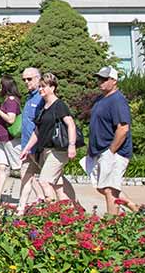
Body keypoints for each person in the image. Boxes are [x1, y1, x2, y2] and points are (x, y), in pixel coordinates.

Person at [20, 71, 77, 203]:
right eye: (40, 86)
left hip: (58, 150)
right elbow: (37, 131)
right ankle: (71, 212)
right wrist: (27, 148)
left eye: (43, 86)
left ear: (52, 88)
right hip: (46, 150)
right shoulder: (44, 107)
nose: (41, 89)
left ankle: (51, 213)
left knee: (44, 181)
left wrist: (72, 145)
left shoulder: (59, 105)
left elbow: (71, 125)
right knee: (58, 185)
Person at [87, 67, 133, 215]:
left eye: (104, 79)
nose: (101, 82)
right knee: (102, 187)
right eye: (99, 78)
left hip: (114, 152)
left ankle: (112, 226)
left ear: (114, 81)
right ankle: (136, 208)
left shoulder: (118, 100)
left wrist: (111, 151)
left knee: (109, 189)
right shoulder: (101, 99)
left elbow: (123, 128)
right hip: (100, 150)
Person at [15, 67, 46, 213]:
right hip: (27, 146)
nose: (26, 82)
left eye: (30, 79)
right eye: (24, 79)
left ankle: (70, 206)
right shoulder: (29, 97)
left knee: (55, 181)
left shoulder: (41, 97)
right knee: (26, 175)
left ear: (38, 78)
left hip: (39, 147)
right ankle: (21, 208)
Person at [0, 75, 21, 203]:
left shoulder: (12, 101)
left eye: (0, 85)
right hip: (4, 139)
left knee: (21, 169)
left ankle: (41, 195)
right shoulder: (7, 100)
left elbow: (11, 119)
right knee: (0, 167)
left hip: (11, 139)